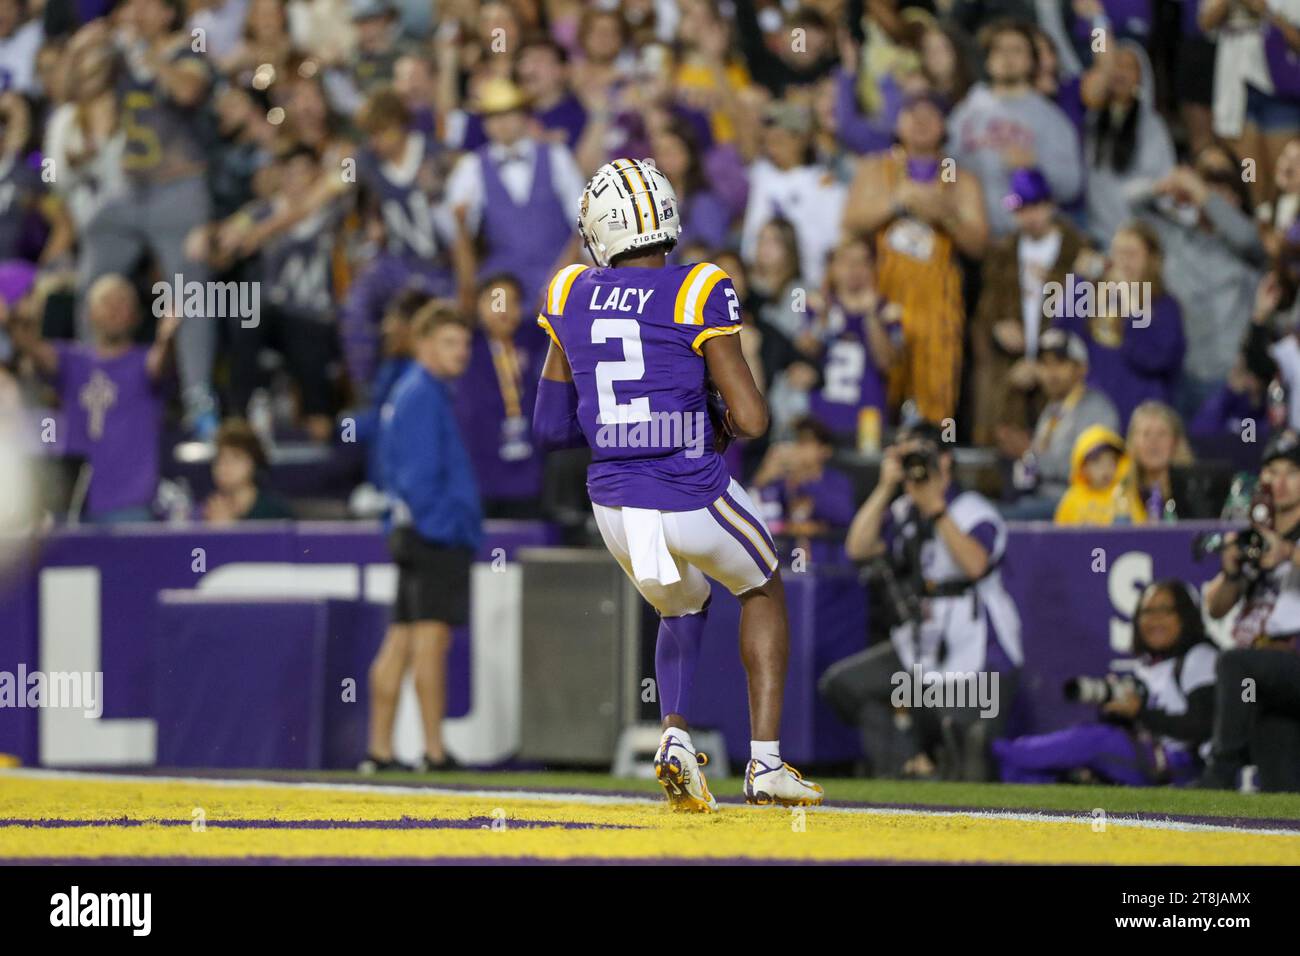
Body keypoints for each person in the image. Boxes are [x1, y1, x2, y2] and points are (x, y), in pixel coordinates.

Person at [531, 157, 824, 810]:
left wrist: (621, 432)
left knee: (680, 604)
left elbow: (549, 428)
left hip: (613, 503)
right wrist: (696, 421)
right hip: (688, 487)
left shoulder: (568, 289)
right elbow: (751, 418)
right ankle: (766, 765)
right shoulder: (697, 287)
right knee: (763, 585)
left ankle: (674, 739)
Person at [822, 420, 1023, 780]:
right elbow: (857, 547)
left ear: (944, 461)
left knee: (968, 752)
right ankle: (906, 763)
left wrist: (936, 508)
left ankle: (934, 767)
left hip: (981, 649)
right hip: (922, 642)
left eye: (919, 455)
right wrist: (885, 487)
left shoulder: (974, 508)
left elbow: (976, 564)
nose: (912, 463)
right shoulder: (902, 510)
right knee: (845, 685)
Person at [364, 299, 482, 774]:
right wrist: (446, 528)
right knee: (430, 640)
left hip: (414, 531)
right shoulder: (422, 393)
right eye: (450, 343)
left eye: (465, 343)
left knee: (401, 638)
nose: (461, 352)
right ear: (424, 344)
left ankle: (380, 751)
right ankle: (434, 751)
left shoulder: (412, 390)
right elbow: (417, 478)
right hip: (432, 534)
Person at [843, 90, 988, 424]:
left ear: (944, 126)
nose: (921, 122)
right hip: (883, 293)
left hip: (938, 305)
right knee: (880, 388)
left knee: (935, 393)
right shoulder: (875, 168)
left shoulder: (960, 178)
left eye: (930, 115)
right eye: (912, 114)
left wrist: (946, 215)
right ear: (897, 123)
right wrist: (898, 202)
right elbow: (850, 221)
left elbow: (979, 245)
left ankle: (933, 449)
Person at [993, 580, 1217, 786]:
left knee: (1092, 739)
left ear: (1186, 616)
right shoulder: (1146, 666)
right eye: (1147, 612)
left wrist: (1139, 712)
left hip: (1180, 764)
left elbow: (1203, 725)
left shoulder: (1199, 657)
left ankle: (993, 751)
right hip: (1144, 756)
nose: (1154, 620)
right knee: (1023, 774)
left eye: (1165, 611)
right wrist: (1116, 711)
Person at [3, 274, 175, 522]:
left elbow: (161, 363)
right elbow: (32, 348)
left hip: (130, 503)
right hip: (74, 501)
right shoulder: (71, 360)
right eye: (107, 302)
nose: (115, 309)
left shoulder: (144, 361)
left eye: (123, 302)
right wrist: (14, 318)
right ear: (89, 313)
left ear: (137, 315)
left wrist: (167, 337)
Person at [1200, 430, 1300, 792]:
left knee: (1234, 663)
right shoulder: (1257, 535)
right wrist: (1231, 569)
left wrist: (1288, 553)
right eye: (1272, 472)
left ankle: (1221, 773)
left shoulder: (1282, 542)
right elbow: (1215, 607)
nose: (1281, 482)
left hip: (1288, 656)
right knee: (1283, 794)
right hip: (1270, 675)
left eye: (1292, 471)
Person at [970, 167, 1088, 450]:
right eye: (1022, 209)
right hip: (1011, 374)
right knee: (1005, 457)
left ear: (1050, 206)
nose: (1030, 217)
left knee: (1060, 453)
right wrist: (997, 329)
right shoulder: (1001, 255)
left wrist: (1058, 282)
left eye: (1036, 207)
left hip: (1062, 374)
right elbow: (984, 316)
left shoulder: (1078, 252)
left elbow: (1089, 312)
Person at [947, 18, 1083, 238]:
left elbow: (1072, 185)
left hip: (1027, 241)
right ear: (988, 60)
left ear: (1032, 61)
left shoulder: (1051, 118)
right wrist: (957, 179)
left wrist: (1036, 164)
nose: (1007, 57)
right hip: (972, 236)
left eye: (1017, 50)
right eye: (999, 49)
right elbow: (944, 166)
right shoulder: (964, 114)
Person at [1003, 328, 1121, 519]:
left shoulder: (1097, 408)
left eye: (1060, 364)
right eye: (1045, 364)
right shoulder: (1053, 409)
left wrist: (1029, 454)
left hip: (1078, 501)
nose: (1051, 373)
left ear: (1081, 368)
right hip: (1042, 497)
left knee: (1003, 517)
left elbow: (1093, 470)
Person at [750, 416, 856, 567]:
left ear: (825, 450)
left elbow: (845, 515)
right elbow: (755, 504)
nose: (799, 447)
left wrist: (806, 484)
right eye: (798, 441)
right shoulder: (783, 480)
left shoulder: (837, 481)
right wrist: (766, 473)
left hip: (827, 561)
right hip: (787, 559)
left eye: (807, 442)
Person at [201, 418, 293, 523]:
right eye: (220, 458)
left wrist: (230, 529)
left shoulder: (275, 513)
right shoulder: (207, 510)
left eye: (236, 458)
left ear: (253, 463)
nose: (225, 466)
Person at [1053, 424, 1143, 525]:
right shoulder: (1071, 500)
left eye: (1111, 462)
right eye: (1097, 462)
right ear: (1083, 467)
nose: (1106, 469)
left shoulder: (1124, 496)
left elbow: (1139, 531)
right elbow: (1059, 535)